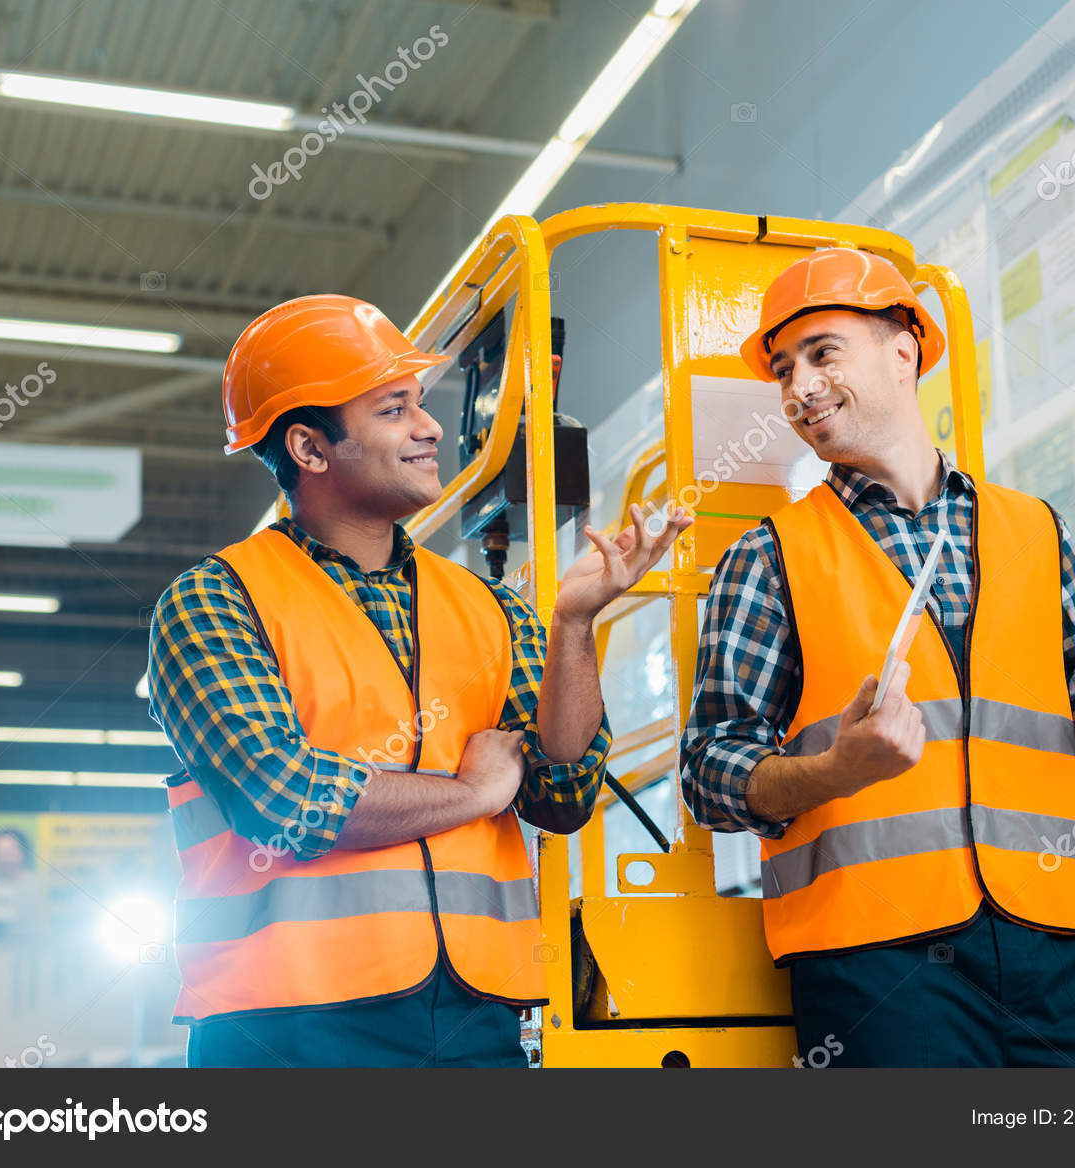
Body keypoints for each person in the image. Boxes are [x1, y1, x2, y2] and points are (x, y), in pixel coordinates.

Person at [679, 249, 1075, 1068]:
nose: (798, 389)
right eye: (783, 370)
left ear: (904, 350)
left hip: (1052, 943)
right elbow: (709, 772)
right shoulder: (772, 557)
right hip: (876, 962)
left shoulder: (1030, 529)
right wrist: (836, 771)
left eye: (822, 353)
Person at [149, 294, 689, 1067]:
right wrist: (473, 795)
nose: (431, 428)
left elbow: (563, 793)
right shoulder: (216, 600)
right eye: (394, 409)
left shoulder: (489, 607)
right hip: (286, 1030)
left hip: (475, 1024)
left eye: (422, 406)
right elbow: (285, 800)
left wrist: (574, 627)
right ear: (309, 447)